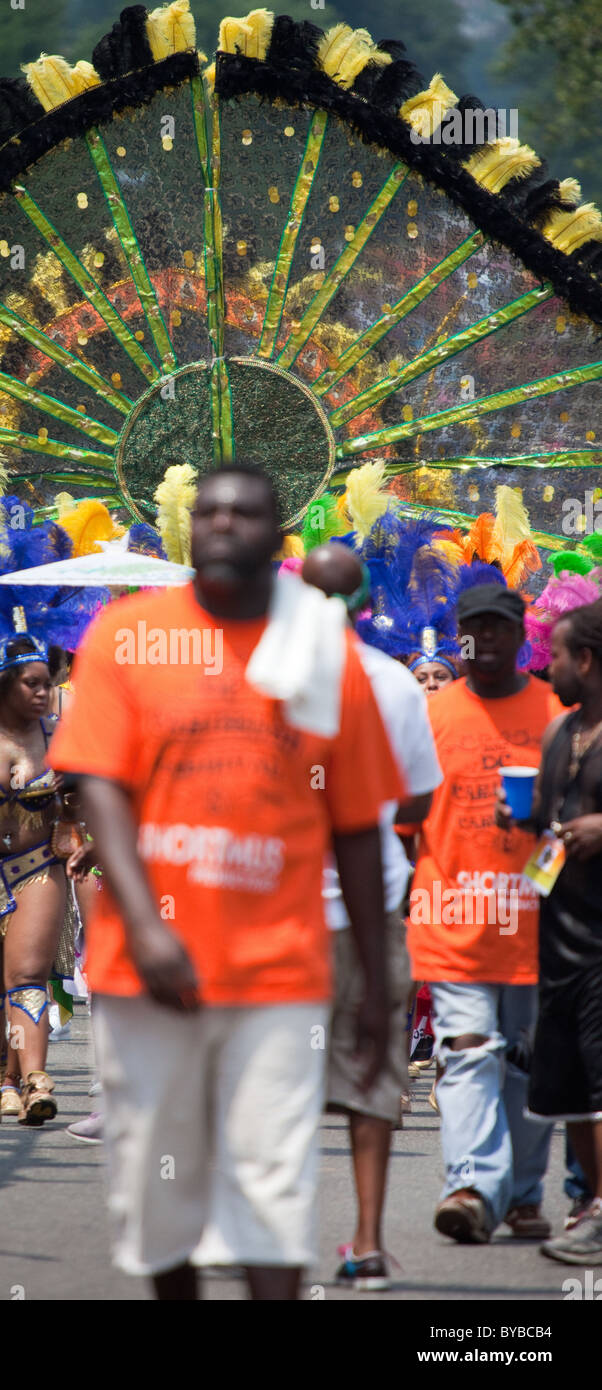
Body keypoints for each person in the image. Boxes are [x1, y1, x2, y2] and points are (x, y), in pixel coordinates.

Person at [49, 461, 404, 1301]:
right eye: (207, 510)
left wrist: (378, 995)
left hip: (279, 970)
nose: (220, 524)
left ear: (278, 534)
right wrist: (143, 924)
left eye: (243, 513)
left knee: (271, 1187)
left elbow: (356, 828)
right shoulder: (127, 635)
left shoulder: (322, 652)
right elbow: (99, 783)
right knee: (157, 1191)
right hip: (148, 974)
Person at [305, 544, 442, 1291]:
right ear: (366, 603)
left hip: (283, 911)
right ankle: (366, 1242)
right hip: (372, 906)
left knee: (276, 1082)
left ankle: (273, 1238)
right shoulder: (394, 683)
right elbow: (421, 798)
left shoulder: (267, 679)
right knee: (373, 1080)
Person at [409, 582, 563, 1245]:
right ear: (460, 635)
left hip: (537, 928)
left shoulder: (558, 713)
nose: (488, 639)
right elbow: (400, 818)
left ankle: (524, 1196)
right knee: (468, 1055)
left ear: (523, 633)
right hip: (453, 920)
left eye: (501, 627)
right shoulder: (429, 716)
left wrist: (544, 837)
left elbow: (577, 826)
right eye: (475, 628)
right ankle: (471, 1187)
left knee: (527, 1064)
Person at [496, 600, 602, 1263]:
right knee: (570, 1091)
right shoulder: (560, 731)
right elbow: (548, 818)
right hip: (557, 935)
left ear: (586, 660)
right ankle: (591, 1203)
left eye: (557, 654)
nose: (547, 663)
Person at [0, 634, 70, 1126]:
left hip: (36, 867)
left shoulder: (58, 734)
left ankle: (34, 1080)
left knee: (26, 976)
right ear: (5, 684)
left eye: (47, 684)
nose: (43, 693)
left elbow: (88, 795)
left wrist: (71, 821)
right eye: (32, 684)